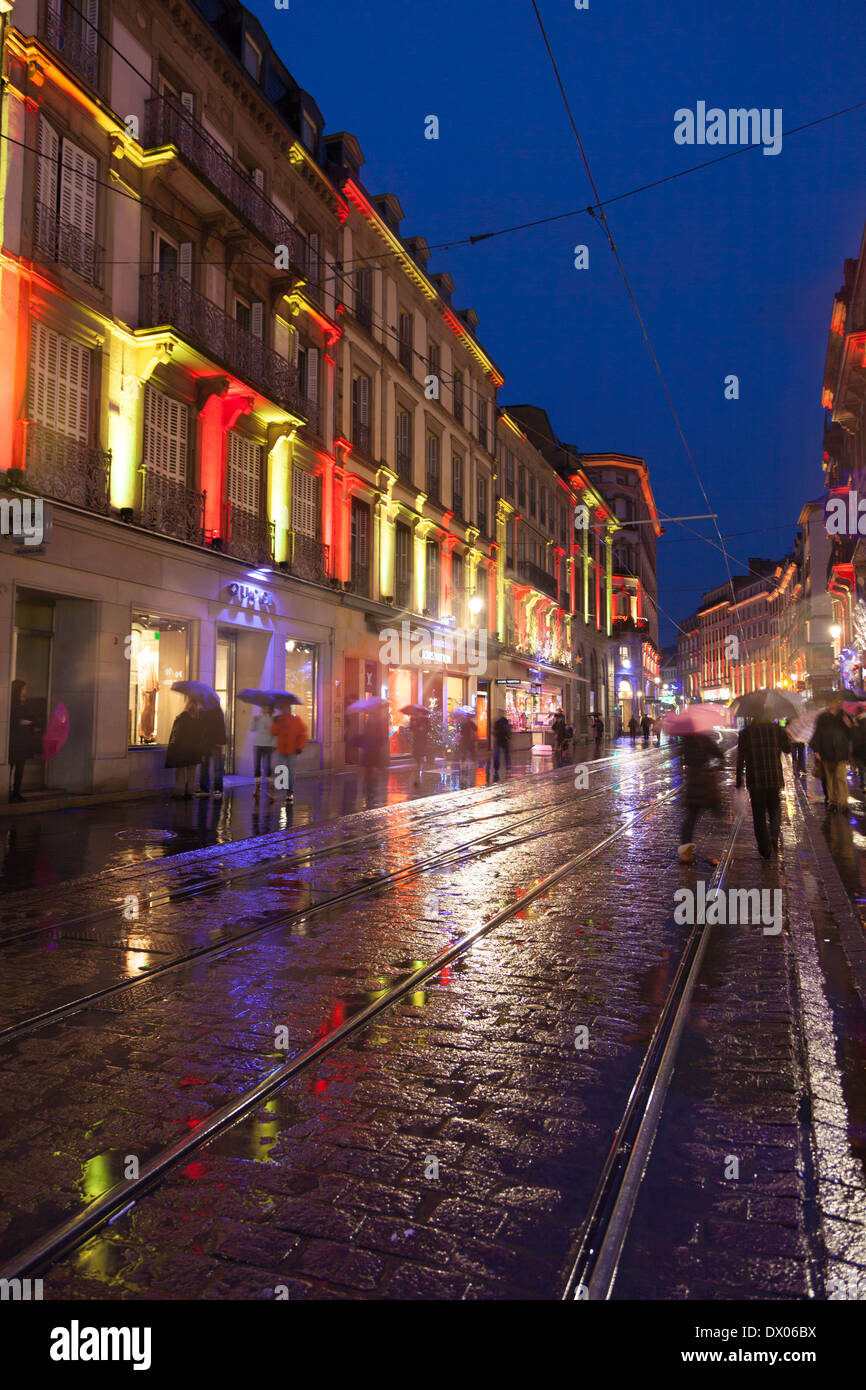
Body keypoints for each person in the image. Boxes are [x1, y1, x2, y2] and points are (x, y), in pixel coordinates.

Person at [736, 717, 792, 858]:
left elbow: (740, 758)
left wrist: (739, 781)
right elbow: (788, 749)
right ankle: (773, 835)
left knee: (759, 815)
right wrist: (786, 735)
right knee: (775, 809)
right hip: (774, 777)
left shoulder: (746, 733)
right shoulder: (777, 730)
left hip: (756, 779)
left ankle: (765, 848)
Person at [677, 731, 725, 863]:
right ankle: (715, 851)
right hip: (705, 783)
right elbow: (719, 754)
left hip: (692, 781)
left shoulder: (686, 740)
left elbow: (682, 759)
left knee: (691, 818)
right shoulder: (703, 739)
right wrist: (716, 766)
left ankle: (685, 854)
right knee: (718, 813)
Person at [809, 695, 852, 812]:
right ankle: (833, 802)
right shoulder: (823, 717)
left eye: (836, 702)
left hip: (840, 751)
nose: (834, 704)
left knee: (841, 777)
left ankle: (843, 802)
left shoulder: (843, 716)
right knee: (830, 778)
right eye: (832, 702)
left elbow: (850, 734)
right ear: (829, 703)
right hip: (826, 751)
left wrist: (848, 725)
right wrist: (816, 750)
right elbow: (817, 733)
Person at [8, 679, 39, 803]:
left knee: (20, 768)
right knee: (10, 767)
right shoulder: (11, 703)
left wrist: (33, 725)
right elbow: (8, 720)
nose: (25, 691)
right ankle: (9, 792)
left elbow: (32, 718)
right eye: (24, 688)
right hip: (14, 741)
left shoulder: (25, 703)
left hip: (23, 741)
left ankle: (17, 793)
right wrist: (19, 722)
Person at [165, 698, 202, 798]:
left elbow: (177, 734)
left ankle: (180, 791)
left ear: (186, 706)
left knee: (181, 771)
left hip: (182, 749)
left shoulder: (181, 718)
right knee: (192, 771)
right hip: (194, 750)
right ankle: (190, 791)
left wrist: (173, 747)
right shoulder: (198, 719)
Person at [271, 702, 308, 803]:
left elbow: (302, 734)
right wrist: (274, 722)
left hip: (292, 750)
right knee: (279, 768)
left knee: (291, 771)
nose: (286, 710)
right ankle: (281, 787)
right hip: (282, 749)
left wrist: (300, 746)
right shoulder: (279, 719)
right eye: (284, 708)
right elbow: (273, 732)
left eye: (287, 708)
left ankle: (289, 792)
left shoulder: (296, 720)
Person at [198, 699, 227, 799]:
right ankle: (212, 789)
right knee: (211, 767)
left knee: (212, 767)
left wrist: (221, 741)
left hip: (211, 743)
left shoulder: (215, 711)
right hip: (210, 743)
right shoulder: (206, 711)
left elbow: (220, 727)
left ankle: (210, 788)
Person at [251, 703, 276, 797]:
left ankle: (271, 788)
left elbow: (274, 733)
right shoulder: (258, 718)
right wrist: (254, 721)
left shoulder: (273, 719)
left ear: (269, 708)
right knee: (257, 767)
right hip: (257, 744)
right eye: (262, 707)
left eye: (265, 707)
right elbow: (252, 729)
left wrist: (274, 745)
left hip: (268, 745)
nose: (263, 708)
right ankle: (257, 788)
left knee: (267, 767)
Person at [409, 712, 428, 785]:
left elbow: (429, 728)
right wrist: (414, 725)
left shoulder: (425, 719)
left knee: (421, 753)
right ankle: (418, 764)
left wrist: (423, 728)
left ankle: (420, 765)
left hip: (422, 739)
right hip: (416, 739)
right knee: (416, 754)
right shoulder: (412, 718)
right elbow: (410, 728)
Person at [492, 712, 511, 780]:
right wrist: (508, 737)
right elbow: (508, 729)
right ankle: (508, 766)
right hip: (504, 739)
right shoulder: (505, 721)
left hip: (498, 740)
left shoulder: (497, 721)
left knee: (497, 754)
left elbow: (494, 731)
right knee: (506, 753)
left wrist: (496, 735)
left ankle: (496, 768)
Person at [850, 712, 866, 792]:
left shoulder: (855, 729)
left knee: (862, 769)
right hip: (859, 751)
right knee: (863, 769)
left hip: (857, 752)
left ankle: (863, 785)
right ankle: (863, 785)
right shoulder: (857, 729)